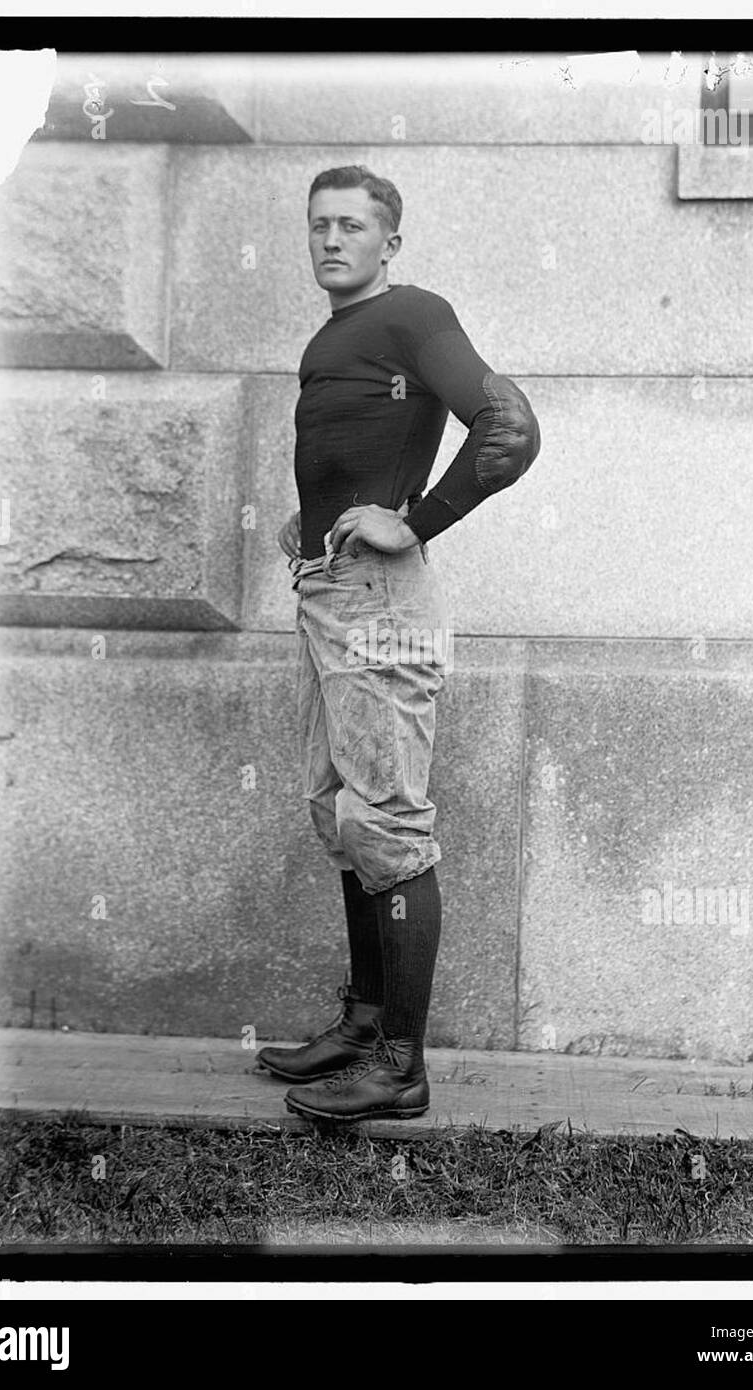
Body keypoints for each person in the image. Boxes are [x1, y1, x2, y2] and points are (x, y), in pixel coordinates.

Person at [256, 165, 541, 1121]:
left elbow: (509, 428)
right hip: (328, 590)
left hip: (379, 600)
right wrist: (315, 518)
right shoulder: (330, 339)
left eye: (351, 226)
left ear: (391, 242)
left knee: (387, 820)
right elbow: (358, 454)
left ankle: (401, 1068)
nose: (330, 240)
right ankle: (364, 1021)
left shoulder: (415, 312)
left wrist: (416, 522)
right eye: (317, 227)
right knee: (338, 811)